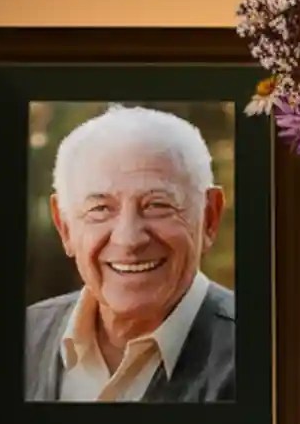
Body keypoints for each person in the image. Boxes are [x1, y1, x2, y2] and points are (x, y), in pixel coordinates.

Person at [24, 105, 235, 403]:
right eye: (100, 209)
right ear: (65, 227)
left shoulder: (265, 355)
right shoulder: (17, 340)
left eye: (158, 205)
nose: (129, 239)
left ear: (210, 217)